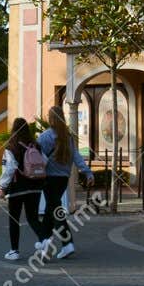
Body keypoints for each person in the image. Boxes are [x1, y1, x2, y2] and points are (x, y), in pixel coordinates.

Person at [36, 106, 94, 260]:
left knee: (54, 210)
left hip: (48, 178)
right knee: (51, 209)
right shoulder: (67, 137)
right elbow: (76, 156)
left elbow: (35, 158)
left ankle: (66, 243)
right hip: (63, 179)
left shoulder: (44, 137)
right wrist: (87, 172)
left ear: (50, 118)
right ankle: (44, 242)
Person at [0, 118, 49, 261]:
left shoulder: (11, 146)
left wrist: (2, 186)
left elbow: (9, 168)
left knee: (14, 219)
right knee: (33, 218)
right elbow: (45, 161)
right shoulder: (36, 145)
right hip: (35, 186)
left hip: (17, 188)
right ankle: (44, 239)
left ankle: (14, 251)